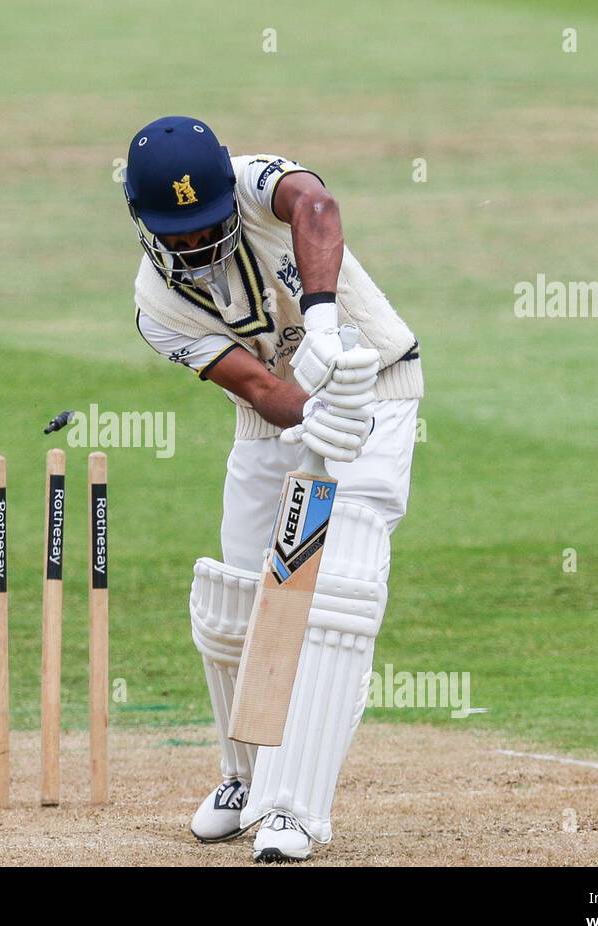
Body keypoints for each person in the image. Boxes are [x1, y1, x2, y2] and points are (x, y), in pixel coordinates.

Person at [124, 116, 424, 862]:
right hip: (277, 423)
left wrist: (323, 327)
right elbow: (259, 386)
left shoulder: (256, 179)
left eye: (207, 225)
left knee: (337, 592)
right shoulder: (158, 308)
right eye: (179, 231)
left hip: (377, 392)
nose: (196, 242)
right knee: (239, 600)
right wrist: (314, 407)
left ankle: (295, 811)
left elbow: (315, 207)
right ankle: (246, 774)